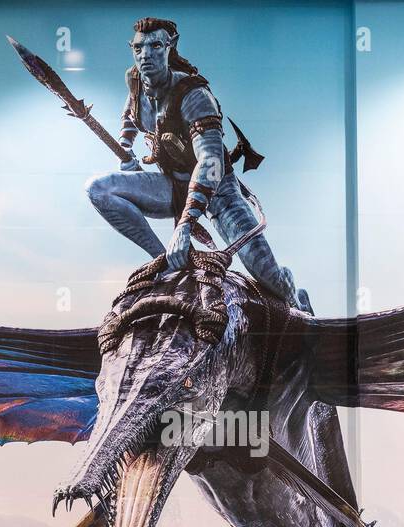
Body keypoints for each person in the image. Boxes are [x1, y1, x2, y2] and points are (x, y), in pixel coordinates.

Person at [85, 17, 312, 313]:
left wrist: (184, 225)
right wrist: (125, 149)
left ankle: (295, 297)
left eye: (155, 46)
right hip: (173, 184)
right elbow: (130, 115)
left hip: (219, 190)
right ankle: (167, 262)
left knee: (265, 275)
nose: (146, 55)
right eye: (138, 48)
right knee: (99, 190)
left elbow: (211, 162)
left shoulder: (194, 94)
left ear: (170, 47)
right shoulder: (135, 80)